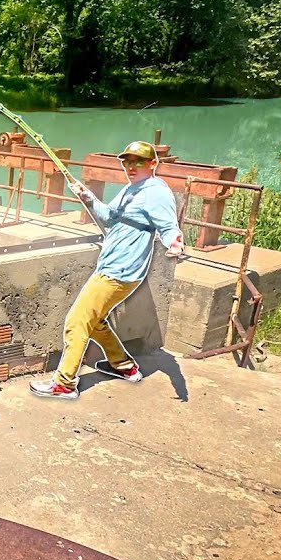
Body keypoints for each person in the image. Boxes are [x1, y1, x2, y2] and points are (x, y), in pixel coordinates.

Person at [29, 141, 185, 400]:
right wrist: (87, 197)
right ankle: (124, 366)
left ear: (153, 164)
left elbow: (168, 226)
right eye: (127, 162)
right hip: (116, 268)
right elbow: (110, 217)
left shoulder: (156, 192)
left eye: (138, 161)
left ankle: (64, 383)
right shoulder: (133, 189)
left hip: (118, 272)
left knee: (77, 321)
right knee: (96, 320)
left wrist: (175, 241)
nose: (131, 166)